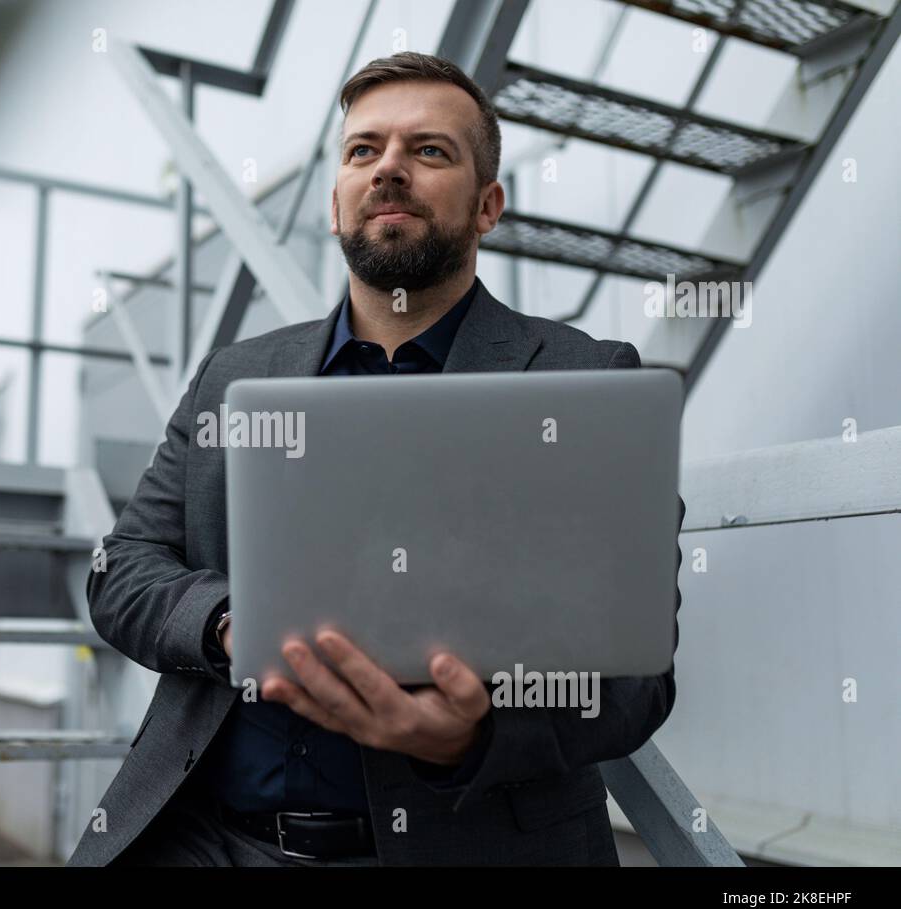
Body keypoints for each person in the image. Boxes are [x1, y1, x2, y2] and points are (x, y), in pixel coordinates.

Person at [68, 51, 683, 867]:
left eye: (430, 151)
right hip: (204, 841)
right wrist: (230, 625)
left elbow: (638, 674)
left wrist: (477, 730)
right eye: (365, 150)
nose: (389, 168)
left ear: (488, 205)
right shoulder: (233, 376)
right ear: (335, 204)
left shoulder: (587, 380)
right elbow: (122, 571)